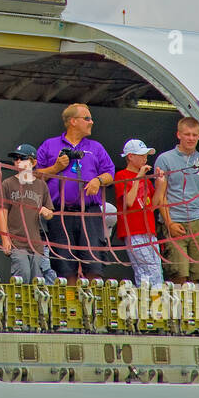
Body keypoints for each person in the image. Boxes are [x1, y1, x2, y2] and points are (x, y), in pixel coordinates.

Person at [35, 104, 115, 281]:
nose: (91, 122)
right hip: (60, 214)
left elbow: (110, 173)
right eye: (87, 118)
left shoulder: (96, 147)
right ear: (73, 121)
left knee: (94, 264)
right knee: (64, 268)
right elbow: (31, 178)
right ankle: (70, 307)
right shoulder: (49, 145)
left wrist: (98, 180)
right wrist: (56, 167)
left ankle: (95, 307)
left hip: (90, 213)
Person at [153, 117, 199, 284]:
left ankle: (196, 309)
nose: (191, 138)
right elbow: (161, 194)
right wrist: (169, 223)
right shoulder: (165, 159)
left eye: (195, 135)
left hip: (198, 221)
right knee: (178, 274)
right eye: (187, 134)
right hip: (174, 220)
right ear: (179, 135)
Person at [0, 144, 55, 283]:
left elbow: (50, 211)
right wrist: (5, 238)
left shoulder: (41, 185)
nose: (17, 161)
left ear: (33, 162)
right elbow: (2, 211)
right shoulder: (8, 183)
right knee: (22, 273)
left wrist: (47, 213)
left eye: (22, 158)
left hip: (36, 243)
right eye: (15, 158)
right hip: (17, 241)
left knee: (37, 279)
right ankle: (18, 304)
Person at [113, 139, 163, 288]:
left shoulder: (146, 179)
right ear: (130, 156)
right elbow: (128, 201)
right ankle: (154, 302)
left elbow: (153, 205)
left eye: (146, 155)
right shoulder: (121, 175)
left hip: (149, 231)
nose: (145, 158)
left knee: (154, 269)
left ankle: (151, 303)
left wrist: (160, 184)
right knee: (148, 270)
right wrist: (139, 177)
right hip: (133, 230)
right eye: (141, 155)